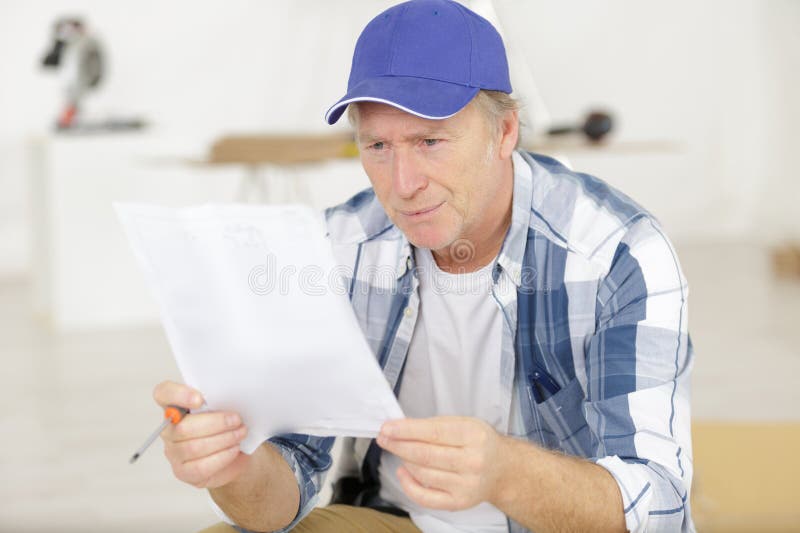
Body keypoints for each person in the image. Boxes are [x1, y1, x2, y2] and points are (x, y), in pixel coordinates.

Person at [154, 1, 695, 531]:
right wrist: (233, 470)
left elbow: (660, 510)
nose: (403, 183)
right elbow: (282, 492)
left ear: (505, 132)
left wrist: (506, 474)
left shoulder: (617, 255)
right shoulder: (334, 250)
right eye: (378, 145)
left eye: (430, 141)